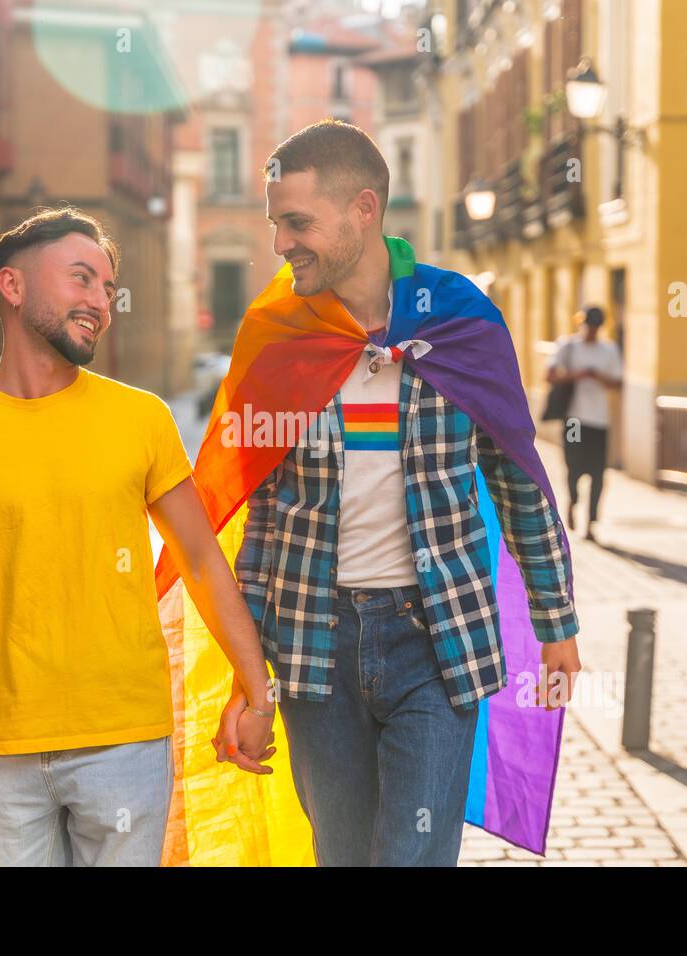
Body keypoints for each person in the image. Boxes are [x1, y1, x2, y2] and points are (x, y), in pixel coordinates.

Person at [220, 120, 582, 866]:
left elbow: (515, 474)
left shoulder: (461, 319)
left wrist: (555, 621)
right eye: (274, 224)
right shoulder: (275, 331)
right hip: (313, 645)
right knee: (343, 855)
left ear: (362, 208)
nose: (281, 243)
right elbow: (263, 515)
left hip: (435, 640)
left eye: (297, 222)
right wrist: (249, 676)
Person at [0, 207, 275, 867]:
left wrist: (258, 692)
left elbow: (200, 562)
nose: (100, 303)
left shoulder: (141, 419)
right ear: (13, 286)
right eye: (82, 280)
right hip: (5, 748)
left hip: (127, 742)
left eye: (109, 290)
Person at [545, 306, 623, 542]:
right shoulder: (567, 346)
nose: (591, 331)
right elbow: (549, 375)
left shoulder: (609, 350)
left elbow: (618, 383)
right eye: (588, 326)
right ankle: (572, 501)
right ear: (581, 324)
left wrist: (598, 377)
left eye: (595, 327)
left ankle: (591, 522)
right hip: (574, 421)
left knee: (598, 473)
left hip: (599, 421)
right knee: (573, 466)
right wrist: (576, 376)